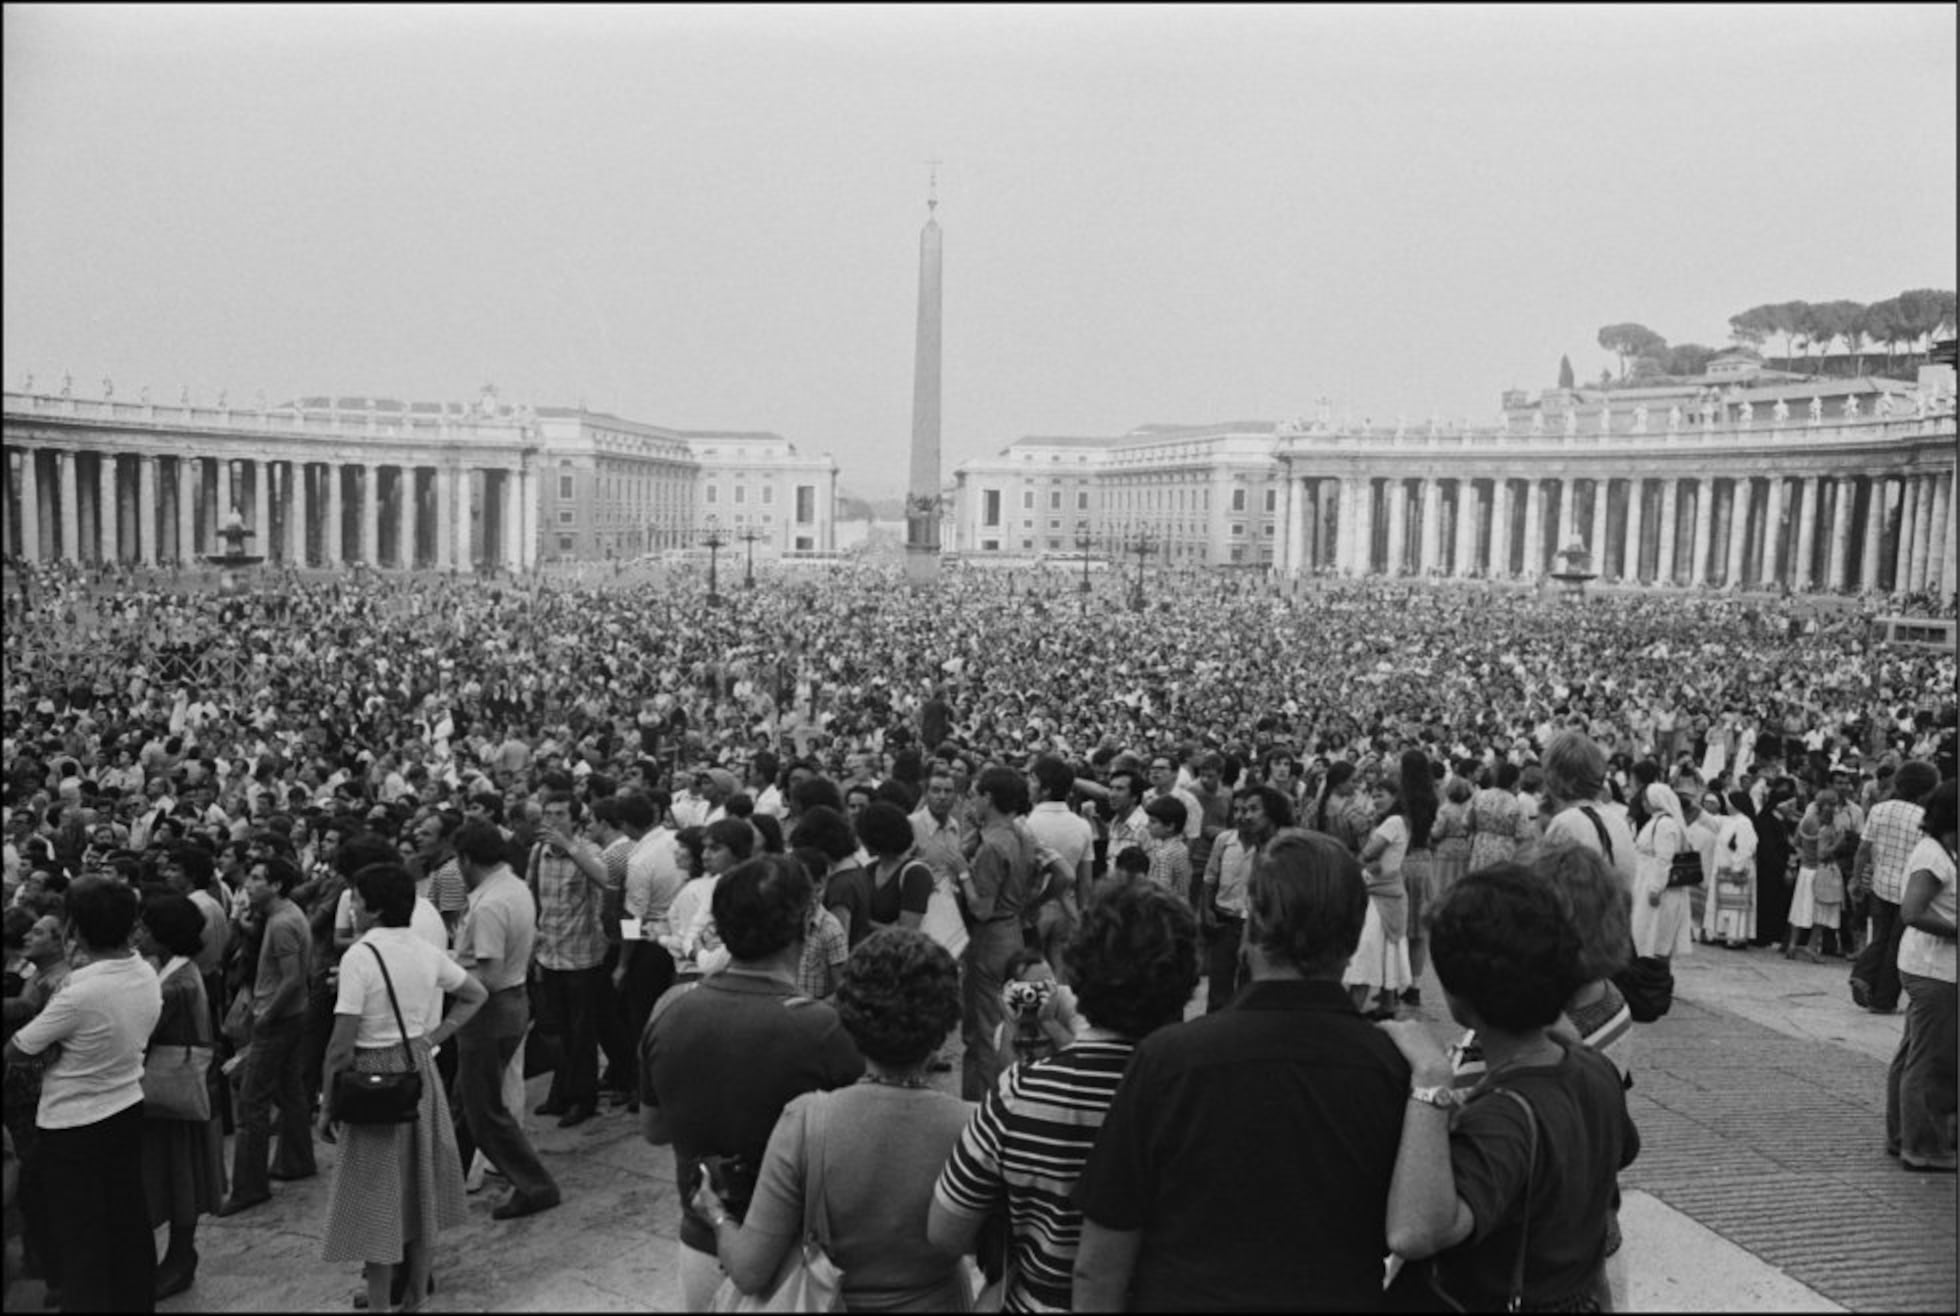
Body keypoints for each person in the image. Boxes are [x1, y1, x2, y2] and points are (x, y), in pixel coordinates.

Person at [1071, 831, 1409, 1311]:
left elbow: (1101, 1262)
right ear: (1354, 938)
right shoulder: (1390, 1068)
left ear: (1253, 927)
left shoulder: (1170, 1061)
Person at [1379, 863, 1639, 1312]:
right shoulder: (1593, 1069)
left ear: (1459, 998)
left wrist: (1430, 1080)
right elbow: (1624, 1149)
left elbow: (1413, 1232)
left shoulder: (1504, 1117)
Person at [930, 882, 1200, 1313]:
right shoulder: (1196, 1097)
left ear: (1077, 976)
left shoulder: (1020, 1091)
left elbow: (946, 1231)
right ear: (1184, 984)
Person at [695, 928, 971, 1311]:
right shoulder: (971, 1127)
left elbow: (749, 1270)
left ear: (850, 1021)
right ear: (942, 1031)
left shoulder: (806, 1121)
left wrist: (714, 1213)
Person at [640, 854, 865, 1310]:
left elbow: (655, 1129)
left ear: (721, 929)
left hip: (703, 1242)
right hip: (801, 1262)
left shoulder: (669, 1009)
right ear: (803, 928)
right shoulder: (824, 1030)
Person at [320, 862, 487, 1316]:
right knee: (421, 1186)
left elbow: (340, 1045)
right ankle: (417, 1296)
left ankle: (379, 1303)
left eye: (356, 900)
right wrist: (433, 1037)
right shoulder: (423, 948)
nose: (351, 908)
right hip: (417, 1070)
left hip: (372, 1074)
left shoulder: (360, 956)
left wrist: (327, 1103)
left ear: (373, 908)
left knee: (377, 1195)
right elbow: (475, 994)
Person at [3, 876, 162, 1313]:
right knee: (127, 1220)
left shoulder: (80, 990)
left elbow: (17, 1049)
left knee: (81, 1235)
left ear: (76, 930)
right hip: (125, 1103)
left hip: (73, 1124)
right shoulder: (144, 971)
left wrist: (54, 1049)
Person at [449, 818, 561, 1220]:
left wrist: (443, 971)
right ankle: (447, 1180)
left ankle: (534, 1185)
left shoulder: (491, 904)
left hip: (490, 1012)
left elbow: (490, 977)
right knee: (466, 1101)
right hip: (510, 1003)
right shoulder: (513, 886)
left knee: (484, 1111)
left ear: (466, 859)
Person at [135, 893, 226, 1302]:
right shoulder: (179, 972)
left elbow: (144, 1030)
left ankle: (180, 1257)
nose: (139, 935)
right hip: (178, 1090)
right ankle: (178, 1256)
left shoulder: (176, 985)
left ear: (163, 934)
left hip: (172, 1093)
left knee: (180, 1178)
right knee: (177, 1177)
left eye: (145, 928)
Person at [221, 854, 316, 1215]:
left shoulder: (283, 923)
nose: (249, 885)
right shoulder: (284, 915)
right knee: (290, 1090)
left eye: (257, 879)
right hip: (290, 1015)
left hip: (278, 1020)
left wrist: (266, 1015)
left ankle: (249, 1186)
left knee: (251, 1103)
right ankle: (297, 1159)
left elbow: (292, 978)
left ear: (276, 885)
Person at [526, 790, 619, 1128]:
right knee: (556, 1030)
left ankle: (583, 1098)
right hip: (549, 953)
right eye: (548, 814)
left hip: (582, 956)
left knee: (582, 1033)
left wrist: (569, 847)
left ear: (574, 820)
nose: (552, 821)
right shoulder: (538, 852)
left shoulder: (588, 851)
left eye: (560, 814)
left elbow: (605, 880)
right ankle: (561, 1091)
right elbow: (531, 895)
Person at [956, 766, 1041, 1102]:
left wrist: (962, 873)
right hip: (1013, 931)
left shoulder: (993, 845)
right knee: (1005, 1026)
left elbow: (981, 908)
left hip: (989, 937)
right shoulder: (1022, 834)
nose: (972, 802)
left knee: (984, 1033)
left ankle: (982, 1105)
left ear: (988, 798)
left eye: (976, 795)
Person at [1885, 780, 1957, 1173]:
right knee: (1931, 1059)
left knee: (1914, 1053)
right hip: (1935, 970)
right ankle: (1924, 1146)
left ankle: (1903, 1135)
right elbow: (1912, 911)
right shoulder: (1933, 857)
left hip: (1929, 967)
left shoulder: (1941, 851)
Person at [1853, 761, 1941, 1013]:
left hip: (1881, 885)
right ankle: (1883, 999)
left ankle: (1863, 973)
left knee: (1880, 936)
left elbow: (1863, 849)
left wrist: (1857, 879)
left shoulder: (1879, 810)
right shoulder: (1925, 819)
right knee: (1897, 944)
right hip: (1910, 890)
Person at [1198, 783, 1288, 1013]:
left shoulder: (1278, 848)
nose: (1243, 816)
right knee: (1219, 989)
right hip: (1226, 921)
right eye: (1238, 810)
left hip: (1259, 927)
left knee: (1250, 990)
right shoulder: (1225, 841)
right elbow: (1210, 876)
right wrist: (1206, 909)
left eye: (1251, 810)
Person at [1631, 784, 1693, 969]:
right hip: (1647, 881)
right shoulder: (1656, 821)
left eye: (1646, 800)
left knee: (1658, 934)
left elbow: (1664, 858)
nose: (1643, 803)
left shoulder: (1665, 824)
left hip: (1658, 886)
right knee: (1647, 931)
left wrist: (1655, 888)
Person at [1708, 789, 1760, 949]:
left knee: (1737, 906)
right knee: (1725, 904)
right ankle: (1723, 933)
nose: (1727, 806)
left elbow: (1745, 848)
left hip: (1738, 870)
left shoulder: (1744, 822)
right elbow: (1710, 820)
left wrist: (1737, 868)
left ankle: (1736, 937)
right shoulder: (1729, 820)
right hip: (1724, 869)